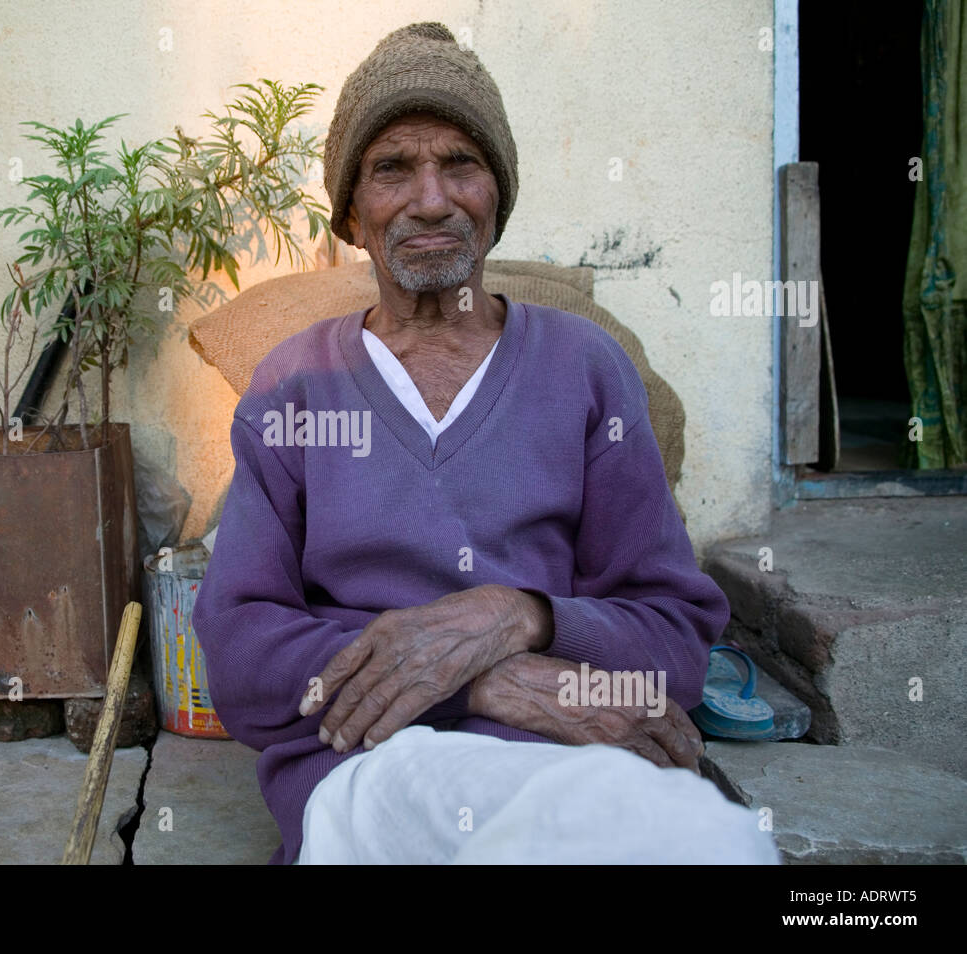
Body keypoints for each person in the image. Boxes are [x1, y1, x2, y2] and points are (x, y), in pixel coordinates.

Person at [191, 21, 778, 865]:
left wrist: (520, 616)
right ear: (352, 212)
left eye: (460, 164)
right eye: (393, 168)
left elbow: (675, 644)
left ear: (496, 198)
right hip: (370, 764)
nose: (431, 198)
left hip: (576, 762)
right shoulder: (294, 388)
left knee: (717, 846)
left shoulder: (584, 368)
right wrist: (480, 681)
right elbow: (243, 658)